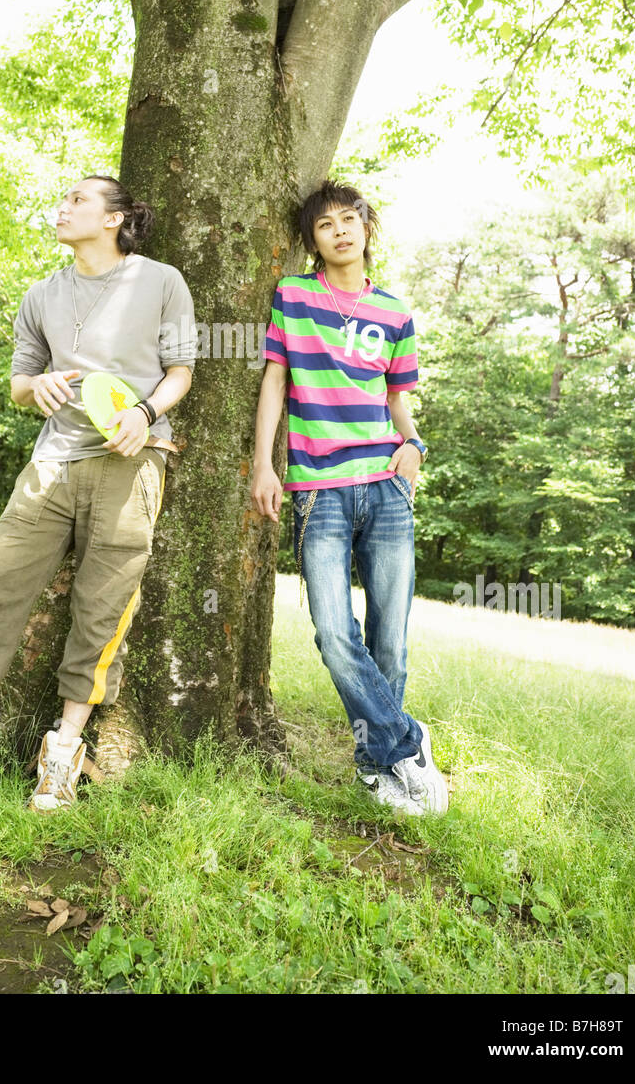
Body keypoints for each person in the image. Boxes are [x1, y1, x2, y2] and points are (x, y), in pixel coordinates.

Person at [0, 175, 196, 810]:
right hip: (53, 462)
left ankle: (64, 749)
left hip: (132, 461)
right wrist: (38, 389)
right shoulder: (41, 294)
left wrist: (143, 414)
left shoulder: (161, 280)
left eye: (78, 200)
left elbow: (181, 372)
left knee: (104, 604)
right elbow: (18, 384)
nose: (62, 208)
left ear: (114, 218)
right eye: (63, 199)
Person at [251, 179, 447, 816]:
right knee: (334, 634)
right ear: (312, 241)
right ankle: (407, 742)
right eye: (324, 224)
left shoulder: (394, 312)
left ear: (367, 228)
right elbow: (276, 382)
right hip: (317, 491)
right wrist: (264, 464)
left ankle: (375, 766)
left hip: (386, 485)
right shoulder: (294, 296)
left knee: (390, 637)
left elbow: (397, 398)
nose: (339, 230)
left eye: (349, 220)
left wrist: (415, 445)